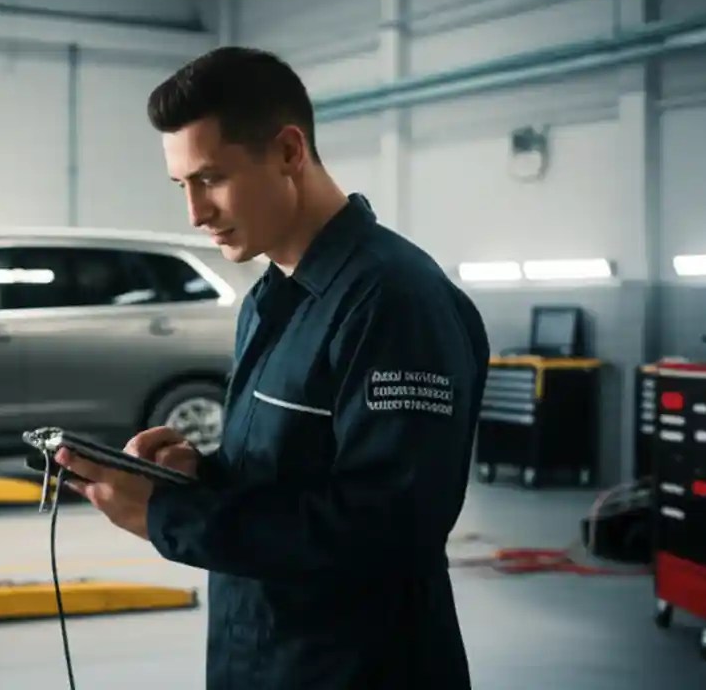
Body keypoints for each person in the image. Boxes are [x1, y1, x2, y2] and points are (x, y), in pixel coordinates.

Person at [53, 46, 491, 689]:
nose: (195, 214)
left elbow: (388, 529)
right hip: (262, 654)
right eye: (183, 186)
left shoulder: (394, 301)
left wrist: (168, 518)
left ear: (289, 152)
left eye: (211, 179)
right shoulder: (270, 298)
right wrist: (196, 476)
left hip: (357, 669)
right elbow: (288, 476)